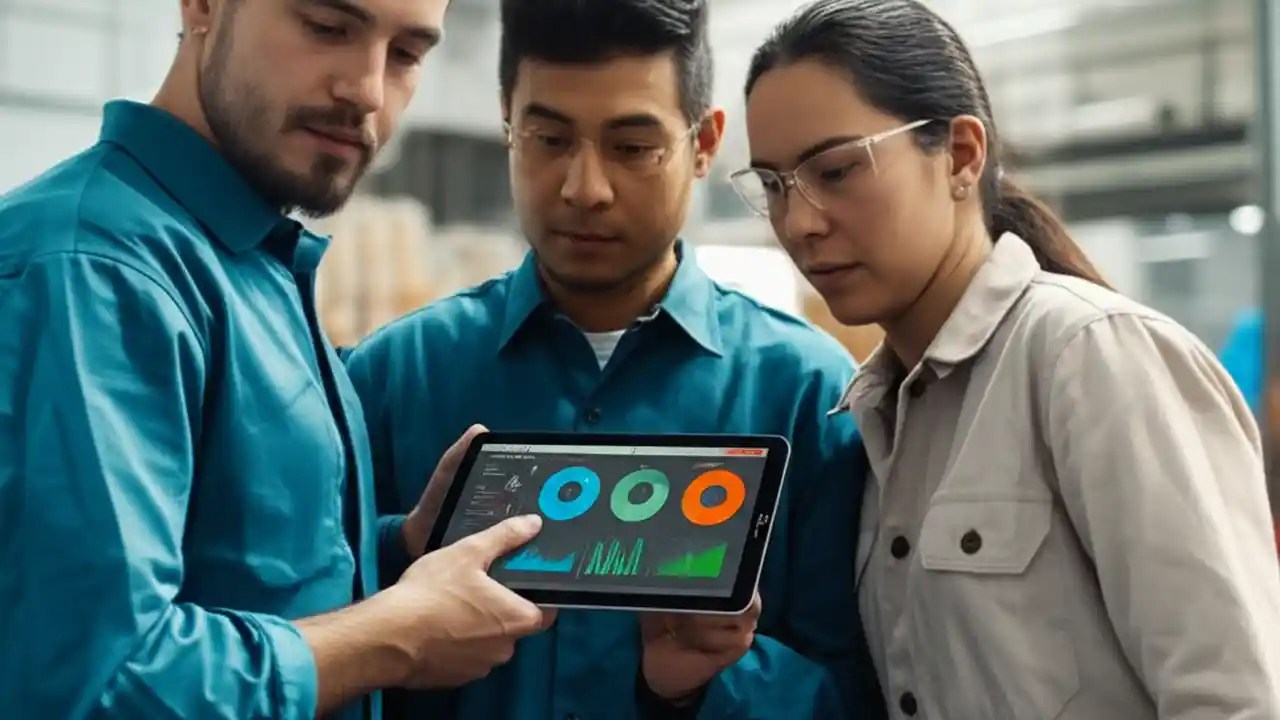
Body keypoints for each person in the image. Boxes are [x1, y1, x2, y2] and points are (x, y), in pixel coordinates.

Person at [0, 1, 557, 718]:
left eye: (407, 54)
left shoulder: (248, 260)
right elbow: (96, 685)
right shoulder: (91, 273)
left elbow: (242, 570)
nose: (367, 89)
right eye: (327, 28)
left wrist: (400, 549)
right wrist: (400, 635)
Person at [730, 0, 1280, 717]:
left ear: (960, 154)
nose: (799, 222)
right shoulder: (876, 415)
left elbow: (1235, 693)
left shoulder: (1087, 357)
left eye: (835, 170)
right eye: (774, 186)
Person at [344, 0, 883, 718]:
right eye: (548, 137)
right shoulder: (392, 377)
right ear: (508, 119)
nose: (584, 189)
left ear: (704, 143)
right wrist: (405, 547)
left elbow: (858, 691)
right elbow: (305, 625)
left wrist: (701, 684)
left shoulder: (810, 396)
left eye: (632, 148)